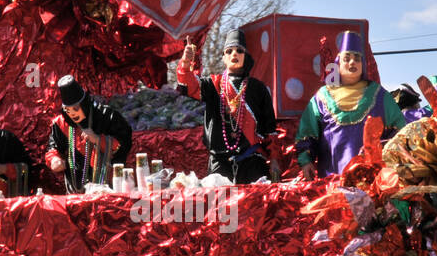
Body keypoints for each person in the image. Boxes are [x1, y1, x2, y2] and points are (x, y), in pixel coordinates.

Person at [174, 29, 281, 183]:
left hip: (252, 161)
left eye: (239, 50)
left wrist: (275, 160)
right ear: (223, 58)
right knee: (220, 206)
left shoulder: (258, 89)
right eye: (229, 51)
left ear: (246, 56)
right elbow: (189, 86)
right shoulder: (212, 84)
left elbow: (270, 130)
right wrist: (185, 63)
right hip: (219, 163)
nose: (234, 54)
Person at [295, 31, 406, 178]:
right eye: (347, 59)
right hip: (331, 181)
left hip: (372, 181)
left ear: (363, 64)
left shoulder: (380, 95)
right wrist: (306, 161)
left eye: (357, 59)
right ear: (338, 63)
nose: (352, 62)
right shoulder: (322, 97)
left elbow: (400, 132)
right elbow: (307, 132)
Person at [45, 75, 132, 193]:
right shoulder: (61, 123)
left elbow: (124, 143)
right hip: (75, 189)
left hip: (108, 187)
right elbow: (53, 147)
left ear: (84, 104)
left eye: (76, 108)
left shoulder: (107, 116)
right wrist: (54, 160)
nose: (73, 114)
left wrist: (97, 139)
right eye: (68, 110)